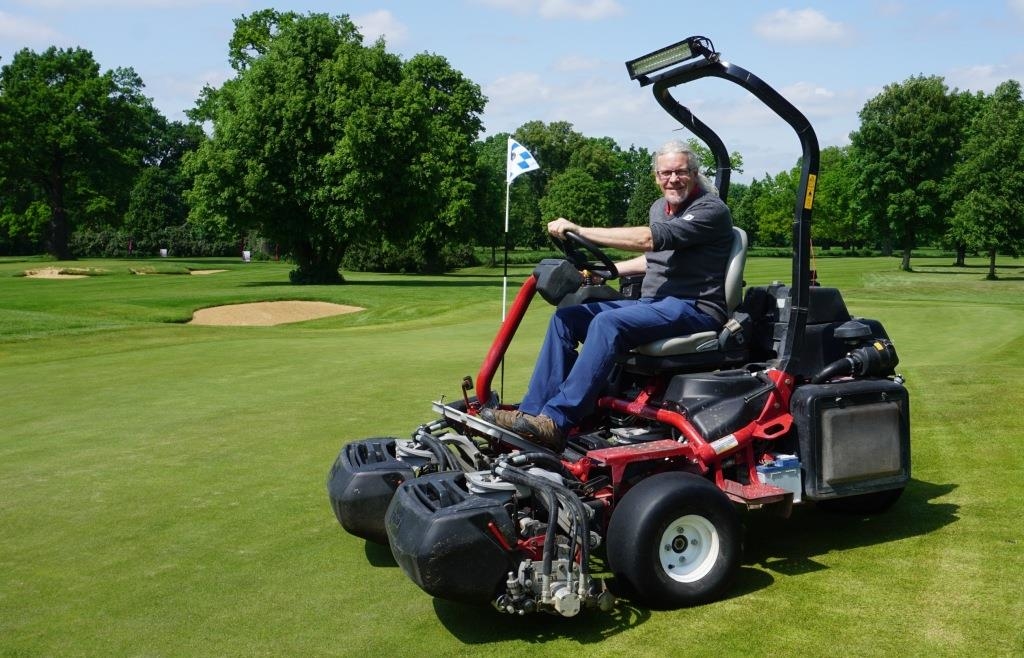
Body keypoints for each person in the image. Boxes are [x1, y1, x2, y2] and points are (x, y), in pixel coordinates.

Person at [482, 139, 735, 450]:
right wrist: (609, 270)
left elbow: (648, 240)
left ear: (694, 174)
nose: (673, 179)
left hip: (694, 308)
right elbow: (654, 259)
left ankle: (556, 421)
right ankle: (532, 416)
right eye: (666, 172)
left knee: (608, 323)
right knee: (566, 318)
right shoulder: (660, 207)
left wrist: (580, 230)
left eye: (681, 172)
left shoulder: (710, 209)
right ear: (656, 176)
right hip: (654, 304)